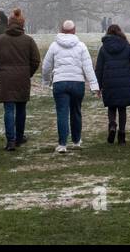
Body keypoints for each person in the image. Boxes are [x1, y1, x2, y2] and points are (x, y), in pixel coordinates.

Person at [41, 20, 99, 153]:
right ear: (74, 30)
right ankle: (76, 140)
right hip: (77, 83)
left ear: (61, 29)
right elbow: (88, 67)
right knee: (76, 111)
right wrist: (94, 85)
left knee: (62, 113)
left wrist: (45, 81)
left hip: (60, 83)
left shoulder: (54, 46)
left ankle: (62, 144)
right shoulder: (81, 46)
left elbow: (46, 66)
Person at [0, 9, 41, 151]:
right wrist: (27, 73)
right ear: (22, 24)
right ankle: (19, 137)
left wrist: (0, 74)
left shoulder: (0, 40)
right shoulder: (28, 40)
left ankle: (10, 141)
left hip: (6, 78)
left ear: (9, 24)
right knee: (21, 109)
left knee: (9, 110)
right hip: (22, 78)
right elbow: (36, 60)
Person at [94, 24, 130, 145]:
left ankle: (112, 125)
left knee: (112, 106)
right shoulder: (127, 47)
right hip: (125, 82)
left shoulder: (103, 49)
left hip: (109, 82)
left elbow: (99, 69)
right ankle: (122, 135)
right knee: (122, 108)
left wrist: (98, 86)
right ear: (120, 33)